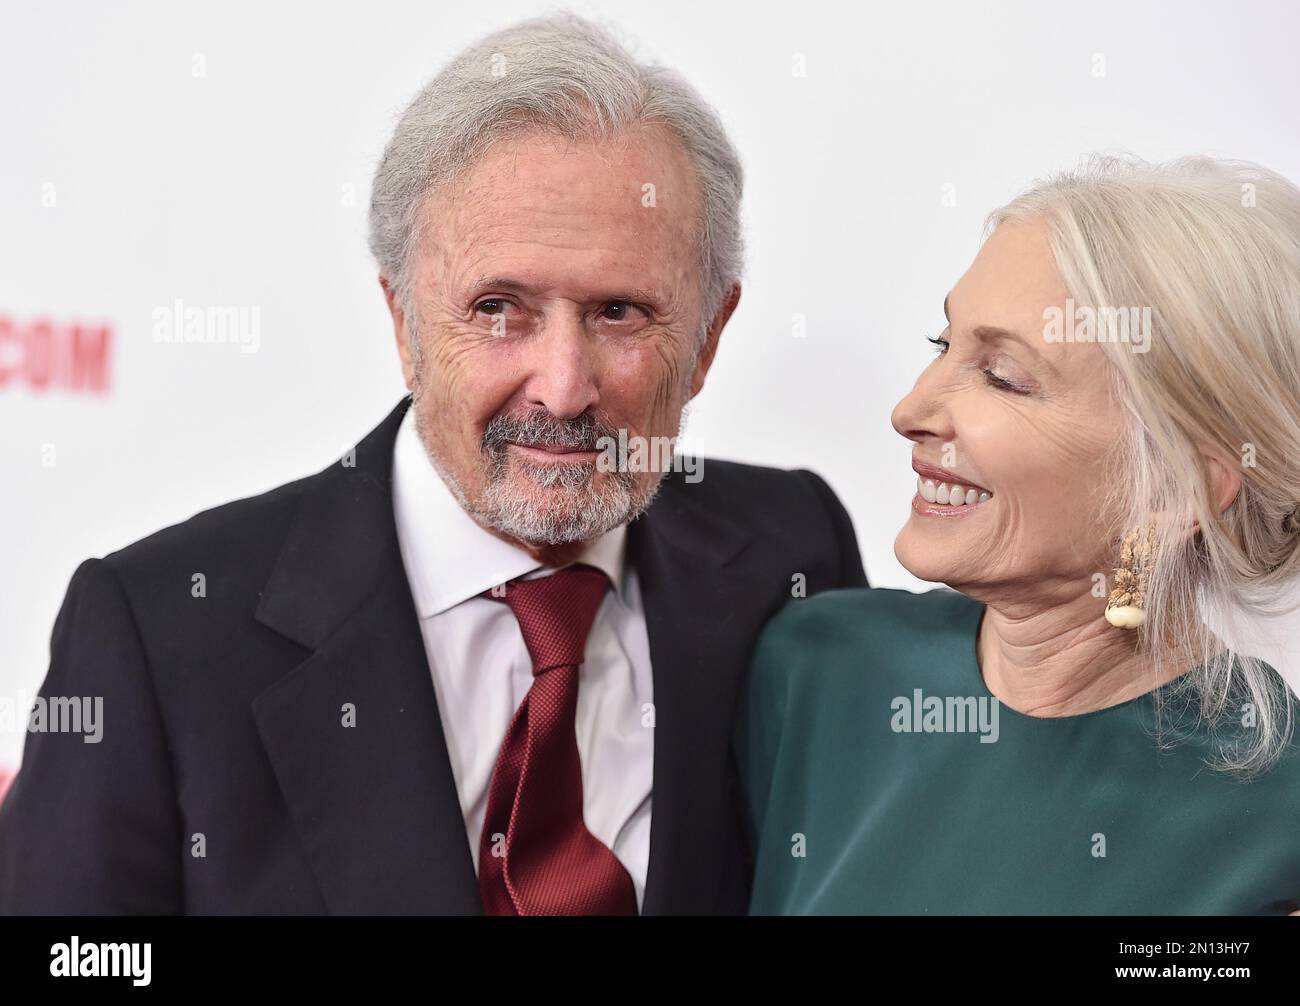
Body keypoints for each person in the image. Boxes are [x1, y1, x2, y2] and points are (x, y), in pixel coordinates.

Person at [0, 13, 866, 916]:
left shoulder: (788, 556)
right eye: (498, 308)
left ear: (708, 337)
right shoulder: (160, 634)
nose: (563, 388)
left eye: (620, 311)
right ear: (404, 323)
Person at [735, 155, 1300, 915]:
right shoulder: (813, 667)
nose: (911, 407)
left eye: (1002, 376)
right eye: (942, 346)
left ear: (1174, 488)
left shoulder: (1276, 825)